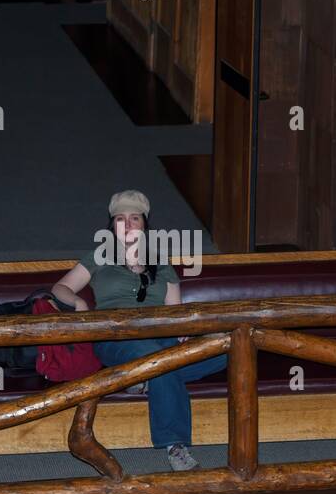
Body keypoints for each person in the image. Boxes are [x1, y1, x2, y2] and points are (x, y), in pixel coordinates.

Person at [51, 190, 225, 472]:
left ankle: (140, 376)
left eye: (135, 218)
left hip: (159, 333)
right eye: (121, 218)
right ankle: (175, 445)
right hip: (117, 336)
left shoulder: (160, 259)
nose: (129, 224)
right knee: (161, 361)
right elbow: (60, 288)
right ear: (112, 225)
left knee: (225, 347)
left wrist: (183, 330)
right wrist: (79, 301)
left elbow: (175, 309)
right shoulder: (100, 255)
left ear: (145, 223)